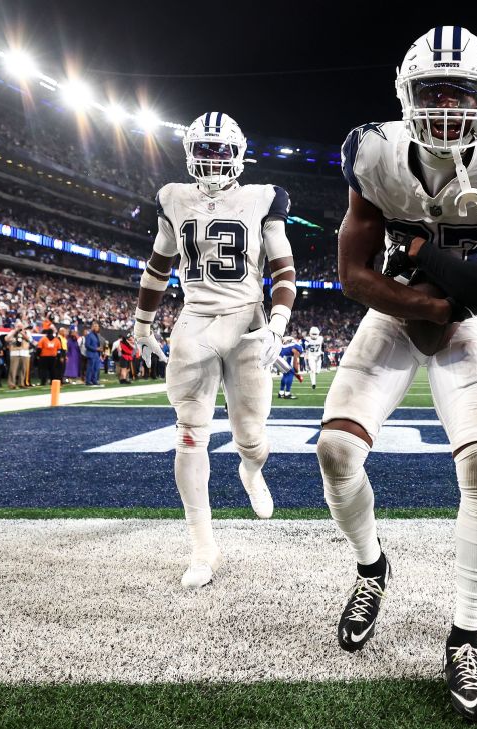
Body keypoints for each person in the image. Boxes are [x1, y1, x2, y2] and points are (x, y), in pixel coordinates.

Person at [320, 27, 477, 722]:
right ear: (404, 96)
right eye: (431, 91)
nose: (446, 106)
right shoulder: (375, 154)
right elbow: (353, 273)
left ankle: (464, 639)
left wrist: (443, 288)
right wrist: (423, 300)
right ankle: (371, 568)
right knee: (335, 450)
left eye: (461, 92)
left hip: (470, 322)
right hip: (396, 307)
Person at [136, 109, 297, 590]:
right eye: (203, 149)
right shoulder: (172, 198)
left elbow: (284, 272)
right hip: (195, 321)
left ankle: (251, 471)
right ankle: (202, 546)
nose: (211, 159)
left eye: (220, 150)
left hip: (248, 320)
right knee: (190, 432)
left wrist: (278, 325)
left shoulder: (263, 199)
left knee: (252, 436)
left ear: (238, 154)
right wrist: (142, 325)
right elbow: (157, 268)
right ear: (189, 153)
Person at [277, 335, 304, 399]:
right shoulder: (298, 347)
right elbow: (295, 361)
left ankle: (281, 393)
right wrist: (296, 372)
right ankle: (287, 393)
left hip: (276, 356)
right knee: (290, 373)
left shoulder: (288, 344)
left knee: (285, 374)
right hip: (279, 357)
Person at [6, 323, 32, 389]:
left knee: (23, 369)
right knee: (13, 369)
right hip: (14, 352)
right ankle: (11, 384)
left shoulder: (26, 332)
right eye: (18, 326)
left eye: (21, 326)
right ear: (15, 327)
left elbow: (30, 340)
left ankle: (21, 383)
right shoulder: (12, 332)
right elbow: (7, 339)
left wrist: (23, 333)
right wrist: (15, 331)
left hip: (24, 353)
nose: (19, 327)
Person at [84, 322, 104, 386]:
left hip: (97, 354)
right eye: (95, 326)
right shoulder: (89, 335)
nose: (96, 328)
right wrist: (96, 349)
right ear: (92, 327)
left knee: (96, 368)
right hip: (91, 354)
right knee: (90, 368)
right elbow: (87, 345)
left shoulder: (97, 335)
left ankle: (94, 380)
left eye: (97, 326)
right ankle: (88, 381)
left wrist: (100, 349)